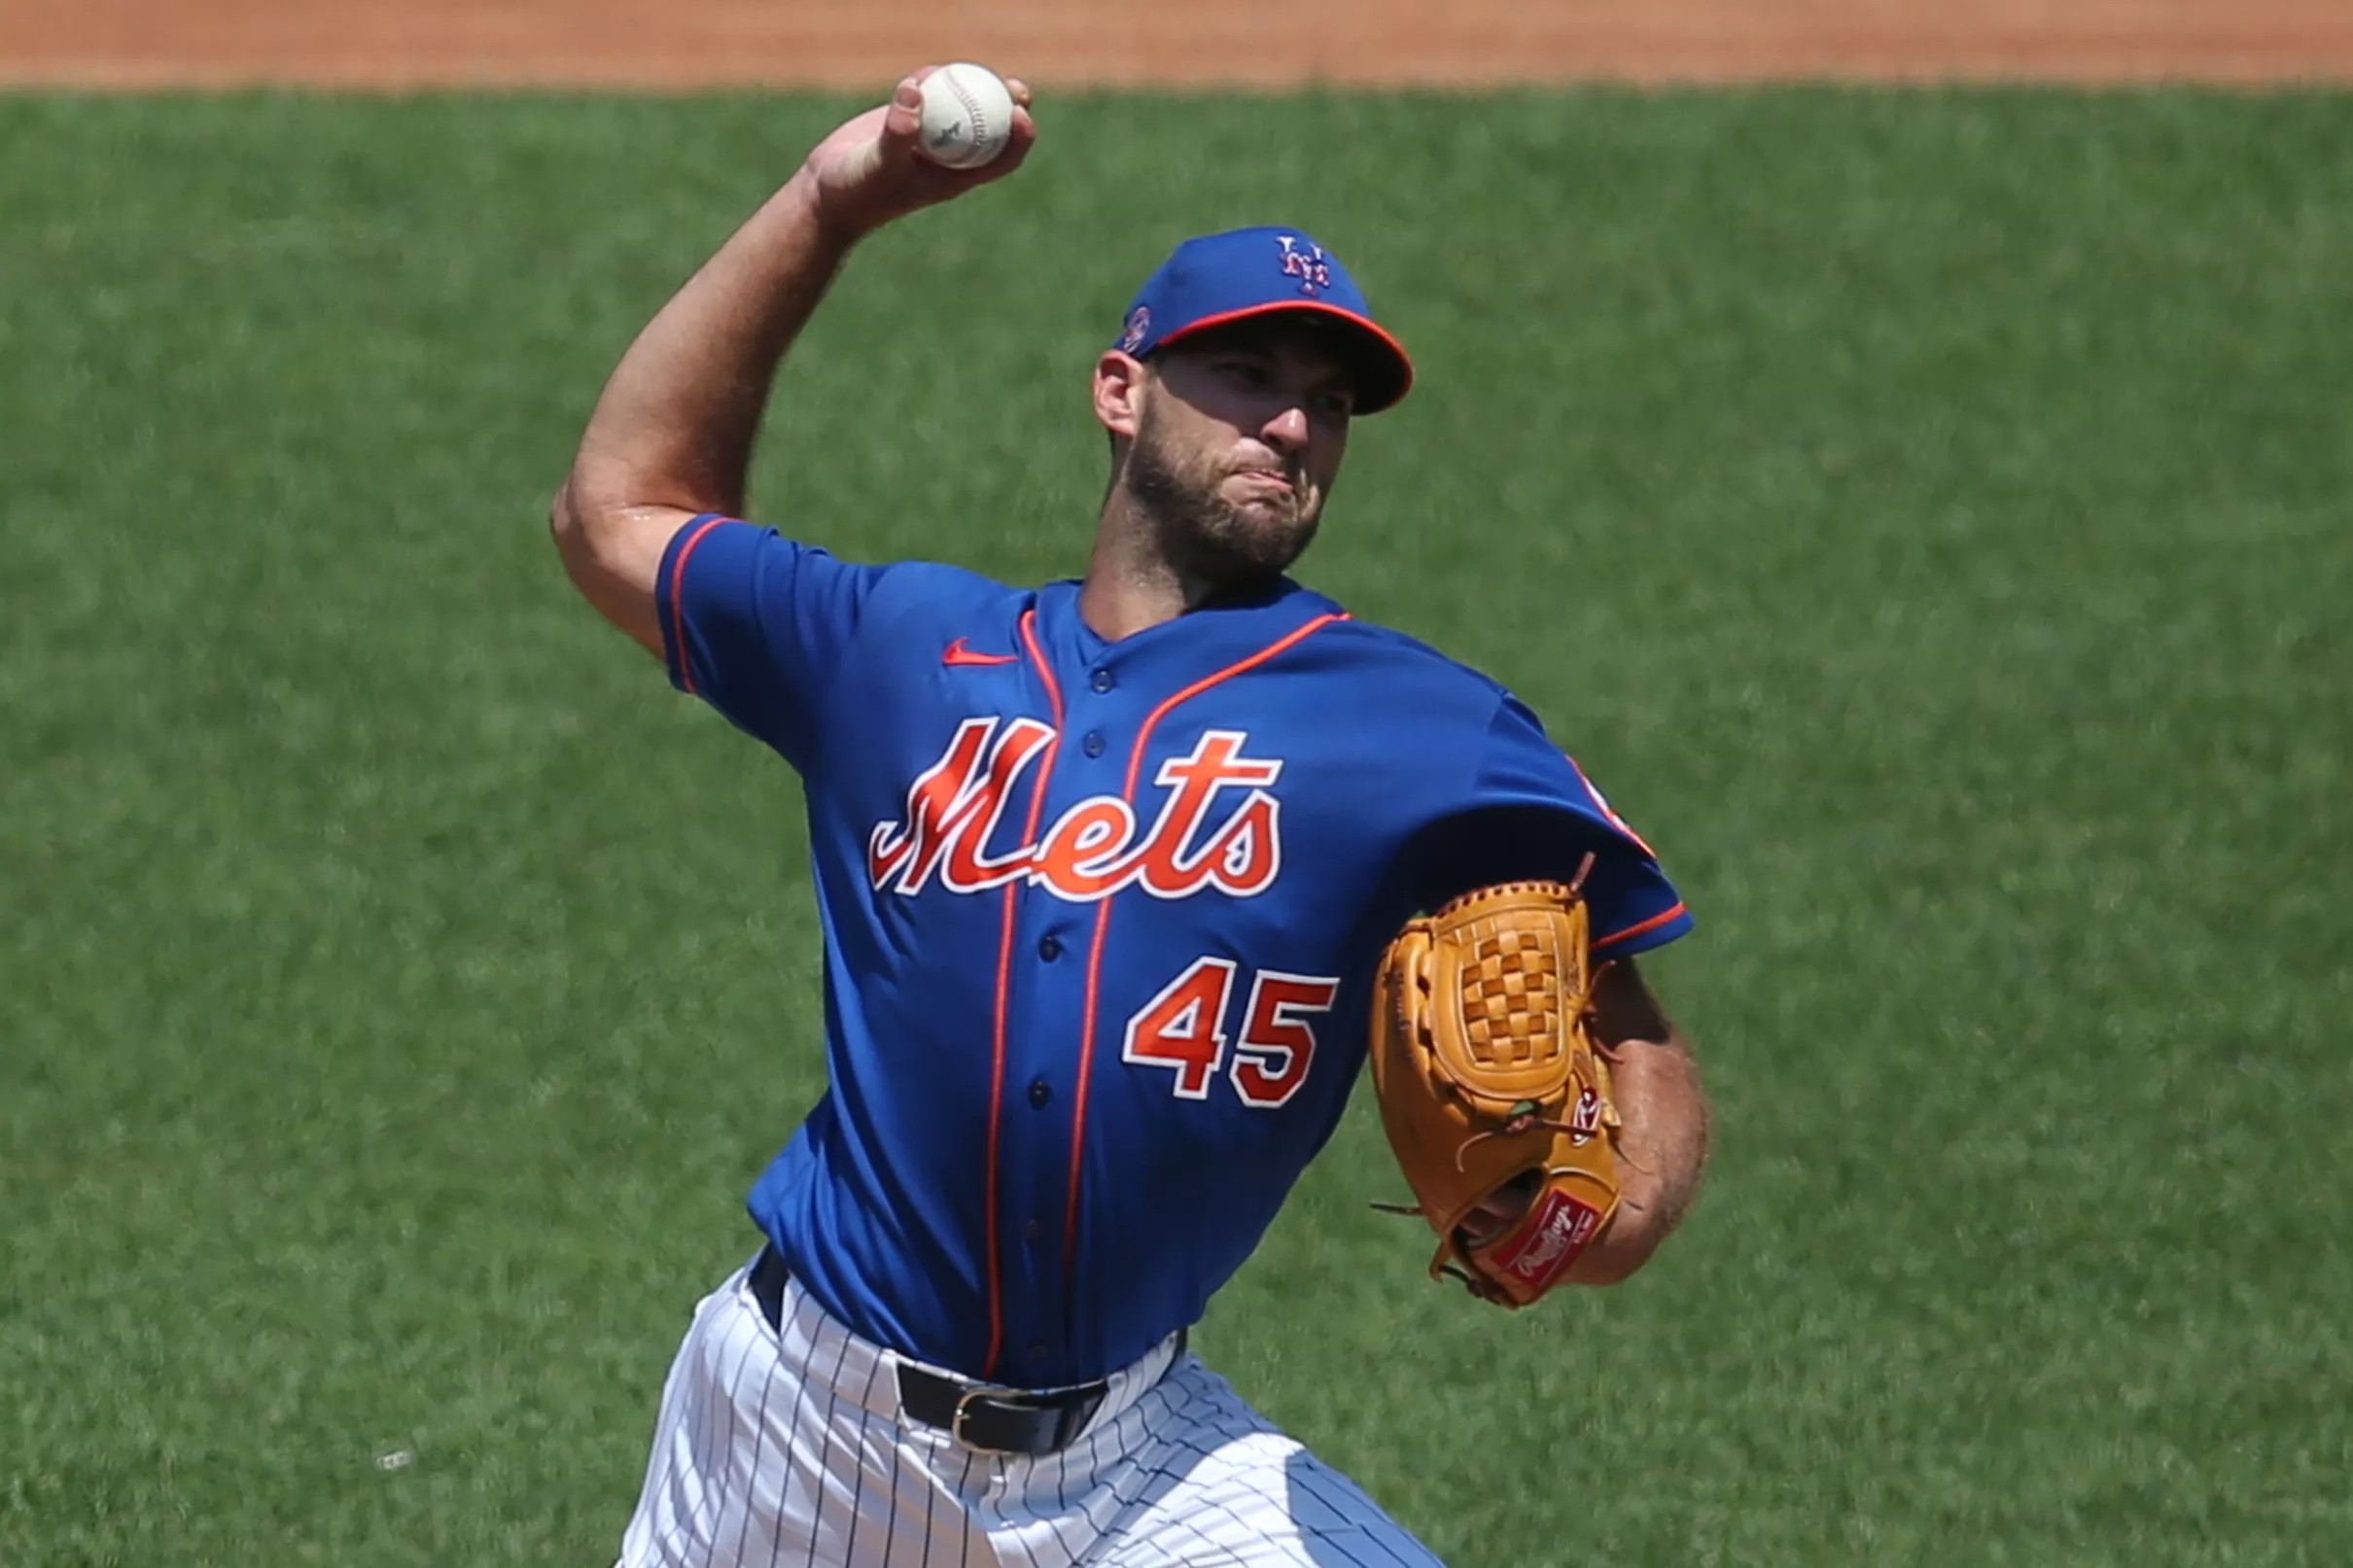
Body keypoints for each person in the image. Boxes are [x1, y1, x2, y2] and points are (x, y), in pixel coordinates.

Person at [552, 65, 1711, 1568]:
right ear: (1123, 387)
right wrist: (833, 203)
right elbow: (618, 511)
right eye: (1246, 372)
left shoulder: (1423, 727)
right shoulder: (901, 652)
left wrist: (1611, 1216)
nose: (1294, 422)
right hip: (793, 1428)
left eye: (1329, 400)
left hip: (1130, 1466)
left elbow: (1634, 1018)